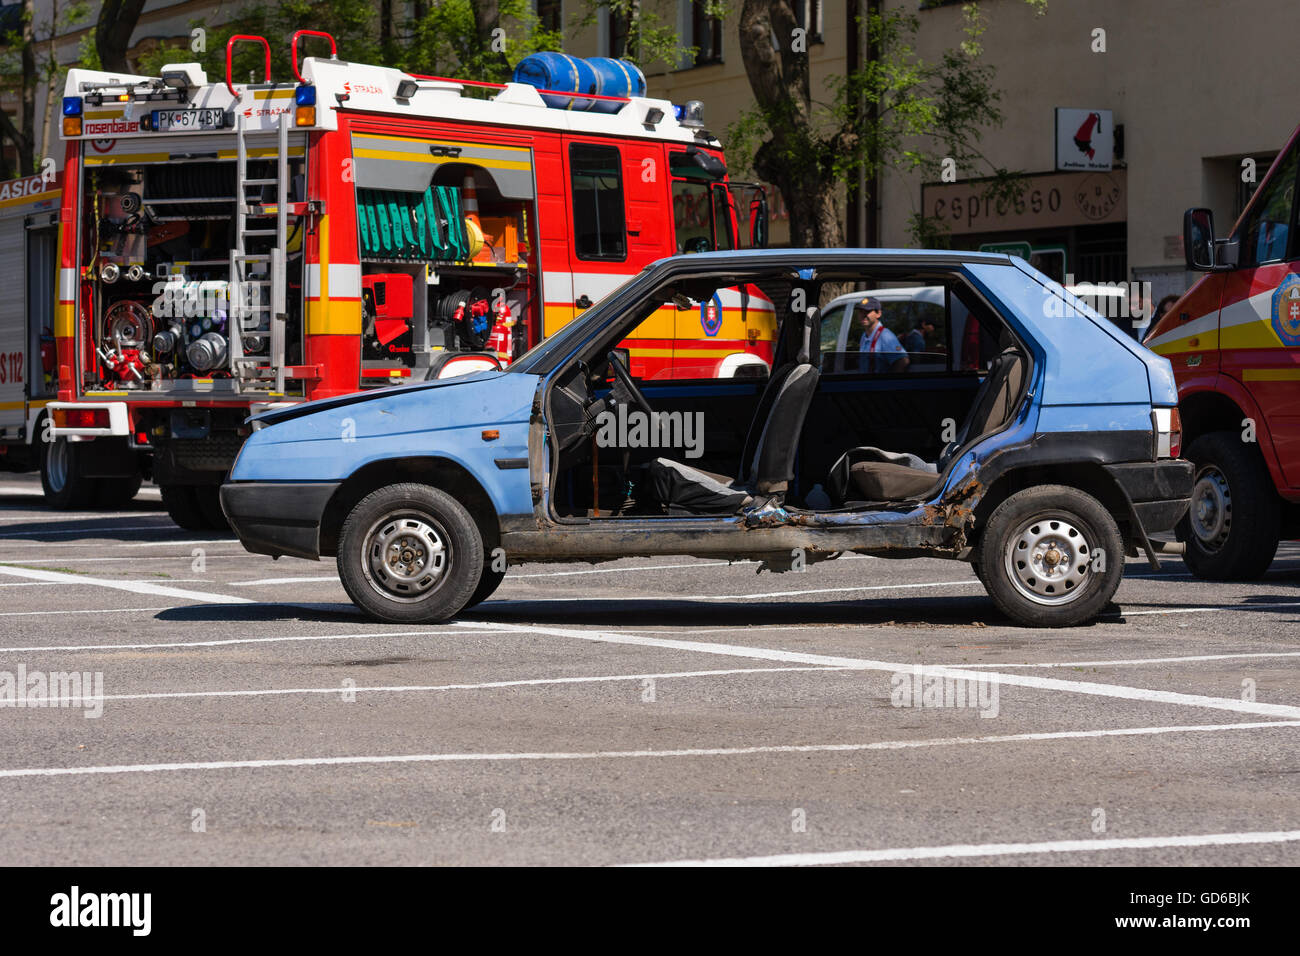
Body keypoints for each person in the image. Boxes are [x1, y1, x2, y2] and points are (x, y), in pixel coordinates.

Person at [854, 296, 908, 373]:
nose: (863, 315)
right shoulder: (864, 336)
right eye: (860, 311)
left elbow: (903, 361)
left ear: (878, 314)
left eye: (867, 311)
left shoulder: (885, 335)